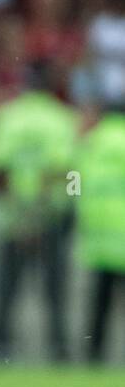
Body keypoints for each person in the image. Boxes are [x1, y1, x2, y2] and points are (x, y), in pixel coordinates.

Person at [0, 79, 79, 361]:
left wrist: (19, 211)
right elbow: (64, 169)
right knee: (54, 291)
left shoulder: (6, 116)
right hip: (51, 218)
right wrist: (39, 209)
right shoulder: (62, 118)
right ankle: (59, 352)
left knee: (6, 290)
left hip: (10, 218)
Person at [75, 103, 125, 361]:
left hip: (101, 240)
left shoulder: (93, 142)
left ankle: (93, 358)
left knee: (99, 306)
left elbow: (74, 177)